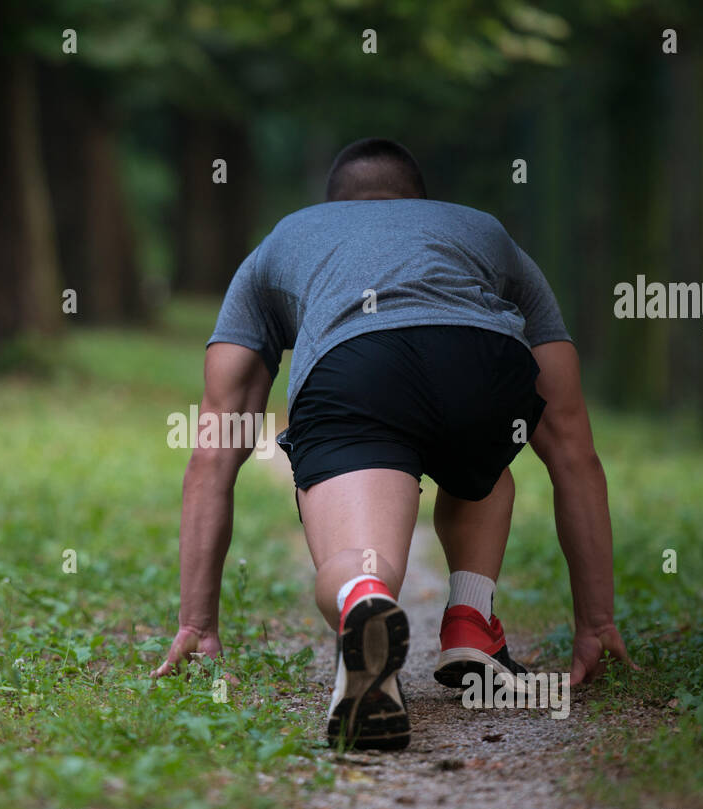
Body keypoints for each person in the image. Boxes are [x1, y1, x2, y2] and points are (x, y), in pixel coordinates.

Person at [153, 138, 634, 750]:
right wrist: (597, 621)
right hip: (483, 364)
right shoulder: (483, 232)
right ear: (420, 203)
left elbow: (215, 448)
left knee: (360, 560)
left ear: (334, 203)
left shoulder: (284, 240)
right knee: (483, 461)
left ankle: (364, 606)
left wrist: (197, 622)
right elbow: (571, 446)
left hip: (359, 370)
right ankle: (470, 621)